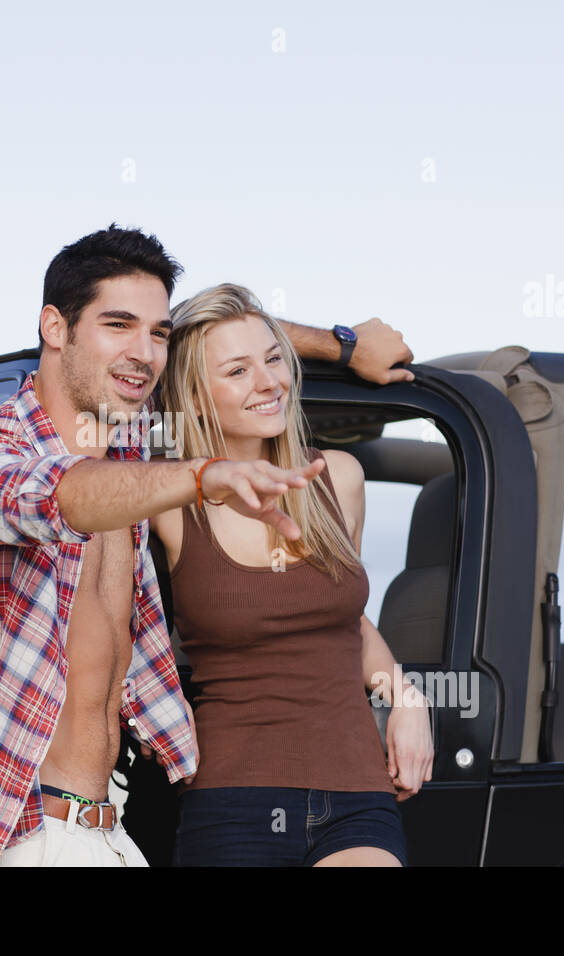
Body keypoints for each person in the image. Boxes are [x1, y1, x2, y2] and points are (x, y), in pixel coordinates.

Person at [0, 224, 415, 866]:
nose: (144, 351)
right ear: (54, 327)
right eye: (117, 325)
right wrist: (204, 476)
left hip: (103, 827)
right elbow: (55, 497)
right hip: (9, 824)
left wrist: (343, 347)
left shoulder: (131, 445)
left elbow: (221, 341)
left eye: (156, 334)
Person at [148, 282, 434, 867]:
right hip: (231, 798)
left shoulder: (341, 480)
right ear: (195, 398)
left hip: (357, 790)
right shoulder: (166, 500)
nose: (269, 381)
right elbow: (143, 352)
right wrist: (342, 346)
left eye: (274, 359)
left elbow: (345, 621)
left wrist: (405, 697)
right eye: (237, 371)